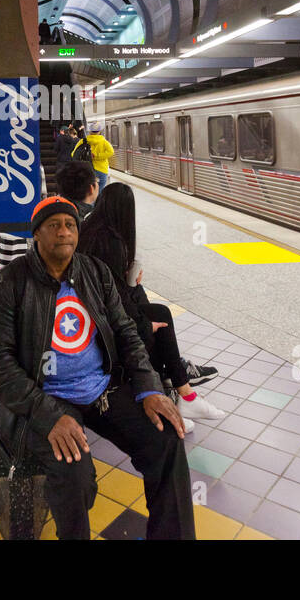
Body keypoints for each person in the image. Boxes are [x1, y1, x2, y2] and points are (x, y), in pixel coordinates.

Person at [0, 196, 194, 540]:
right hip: (43, 395)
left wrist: (149, 386)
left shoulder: (95, 272)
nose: (64, 232)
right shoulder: (9, 284)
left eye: (70, 225)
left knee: (167, 440)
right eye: (54, 225)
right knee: (75, 474)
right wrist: (48, 415)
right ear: (37, 234)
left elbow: (126, 333)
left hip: (100, 390)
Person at [78, 183, 225, 428]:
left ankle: (178, 395)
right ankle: (179, 396)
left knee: (156, 316)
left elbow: (109, 291)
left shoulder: (89, 230)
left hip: (91, 312)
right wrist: (144, 323)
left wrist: (133, 287)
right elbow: (115, 299)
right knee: (160, 319)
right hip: (102, 321)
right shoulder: (111, 241)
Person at [72, 122, 115, 189]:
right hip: (102, 170)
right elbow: (111, 152)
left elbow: (73, 154)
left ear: (90, 131)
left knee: (88, 191)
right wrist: (97, 156)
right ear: (100, 131)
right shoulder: (104, 142)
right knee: (100, 190)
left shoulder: (83, 141)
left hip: (87, 169)